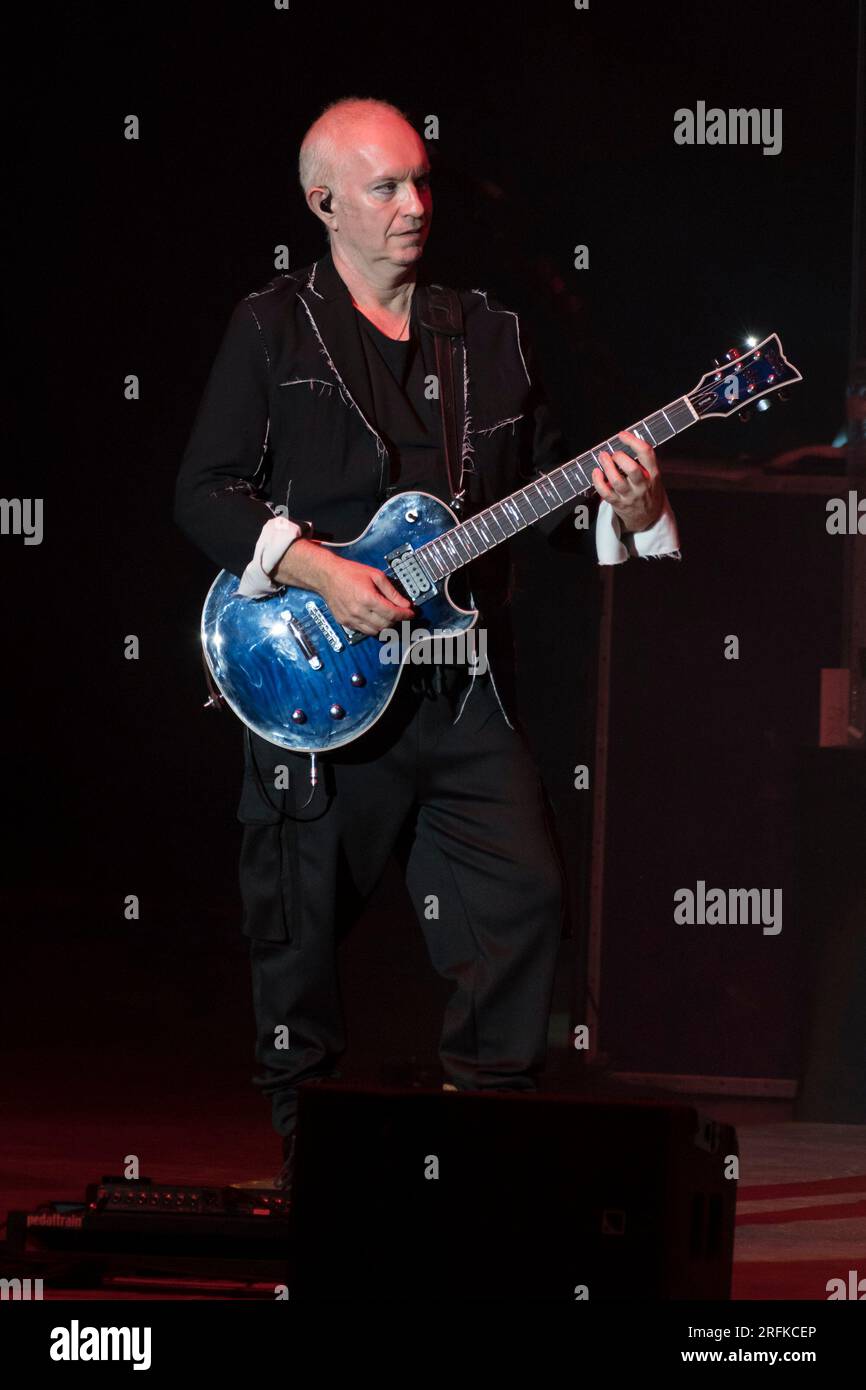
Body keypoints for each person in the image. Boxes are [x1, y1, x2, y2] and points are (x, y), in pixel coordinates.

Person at [174, 96, 680, 1190]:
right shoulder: (271, 324)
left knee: (523, 899)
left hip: (455, 691)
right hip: (313, 679)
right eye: (384, 188)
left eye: (419, 182)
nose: (414, 206)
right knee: (298, 937)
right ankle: (317, 1177)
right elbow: (203, 494)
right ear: (323, 204)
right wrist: (317, 569)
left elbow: (545, 496)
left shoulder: (485, 332)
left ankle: (480, 1147)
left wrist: (630, 511)